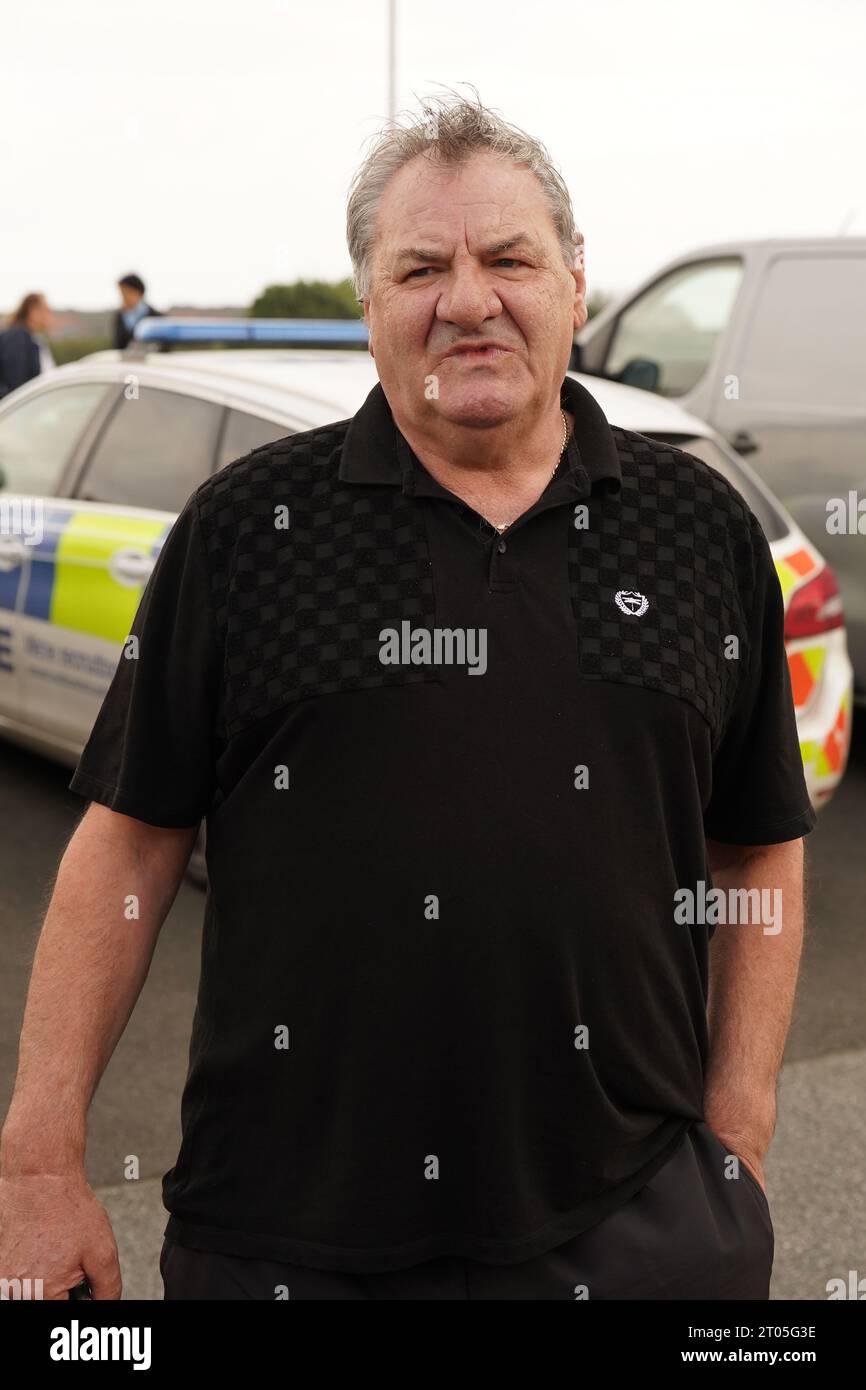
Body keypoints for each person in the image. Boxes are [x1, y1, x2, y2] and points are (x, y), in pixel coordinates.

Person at [0, 91, 815, 1301]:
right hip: (285, 1240)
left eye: (508, 258)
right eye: (419, 265)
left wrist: (735, 1143)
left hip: (635, 1225)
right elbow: (126, 851)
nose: (468, 299)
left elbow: (755, 850)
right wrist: (36, 1168)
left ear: (574, 285)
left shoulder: (697, 529)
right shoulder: (247, 532)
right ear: (370, 303)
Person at [0, 292, 55, 398]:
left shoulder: (33, 337)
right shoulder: (17, 338)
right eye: (46, 310)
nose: (50, 315)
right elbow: (16, 386)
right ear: (33, 311)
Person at [112, 273, 161, 350]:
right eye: (121, 293)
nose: (123, 297)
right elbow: (117, 346)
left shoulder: (157, 317)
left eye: (125, 292)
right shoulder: (120, 316)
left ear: (138, 292)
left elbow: (164, 347)